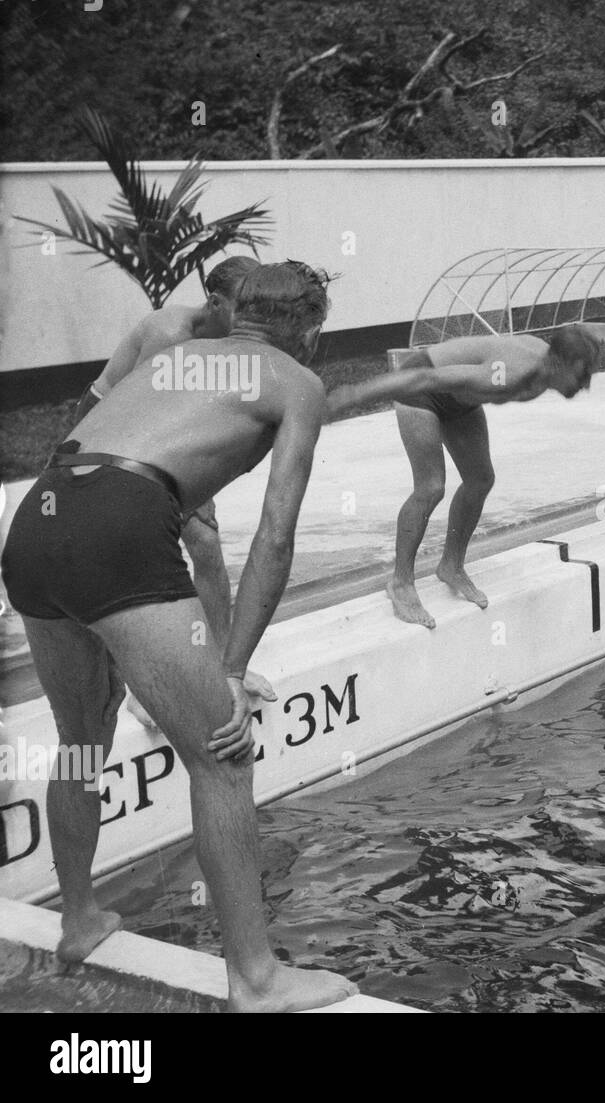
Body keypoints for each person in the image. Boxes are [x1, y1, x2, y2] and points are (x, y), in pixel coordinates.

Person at [1, 261, 358, 1013]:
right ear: (313, 329)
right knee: (221, 755)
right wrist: (233, 667)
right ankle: (257, 978)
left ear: (241, 311)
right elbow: (275, 538)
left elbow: (94, 439)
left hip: (38, 516)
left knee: (82, 738)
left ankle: (78, 919)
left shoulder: (178, 356)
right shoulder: (297, 382)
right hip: (120, 523)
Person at [71, 255, 275, 719]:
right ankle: (137, 688)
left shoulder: (234, 336)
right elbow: (134, 417)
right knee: (126, 559)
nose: (254, 317)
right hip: (103, 433)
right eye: (244, 306)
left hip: (164, 439)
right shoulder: (170, 335)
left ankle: (223, 665)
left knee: (205, 543)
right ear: (215, 302)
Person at [326, 327, 600, 628]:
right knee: (430, 487)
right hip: (421, 389)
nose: (585, 385)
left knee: (480, 479)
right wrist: (355, 395)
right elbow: (427, 379)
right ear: (559, 364)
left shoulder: (542, 370)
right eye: (582, 374)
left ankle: (451, 566)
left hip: (458, 402)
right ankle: (401, 583)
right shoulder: (510, 372)